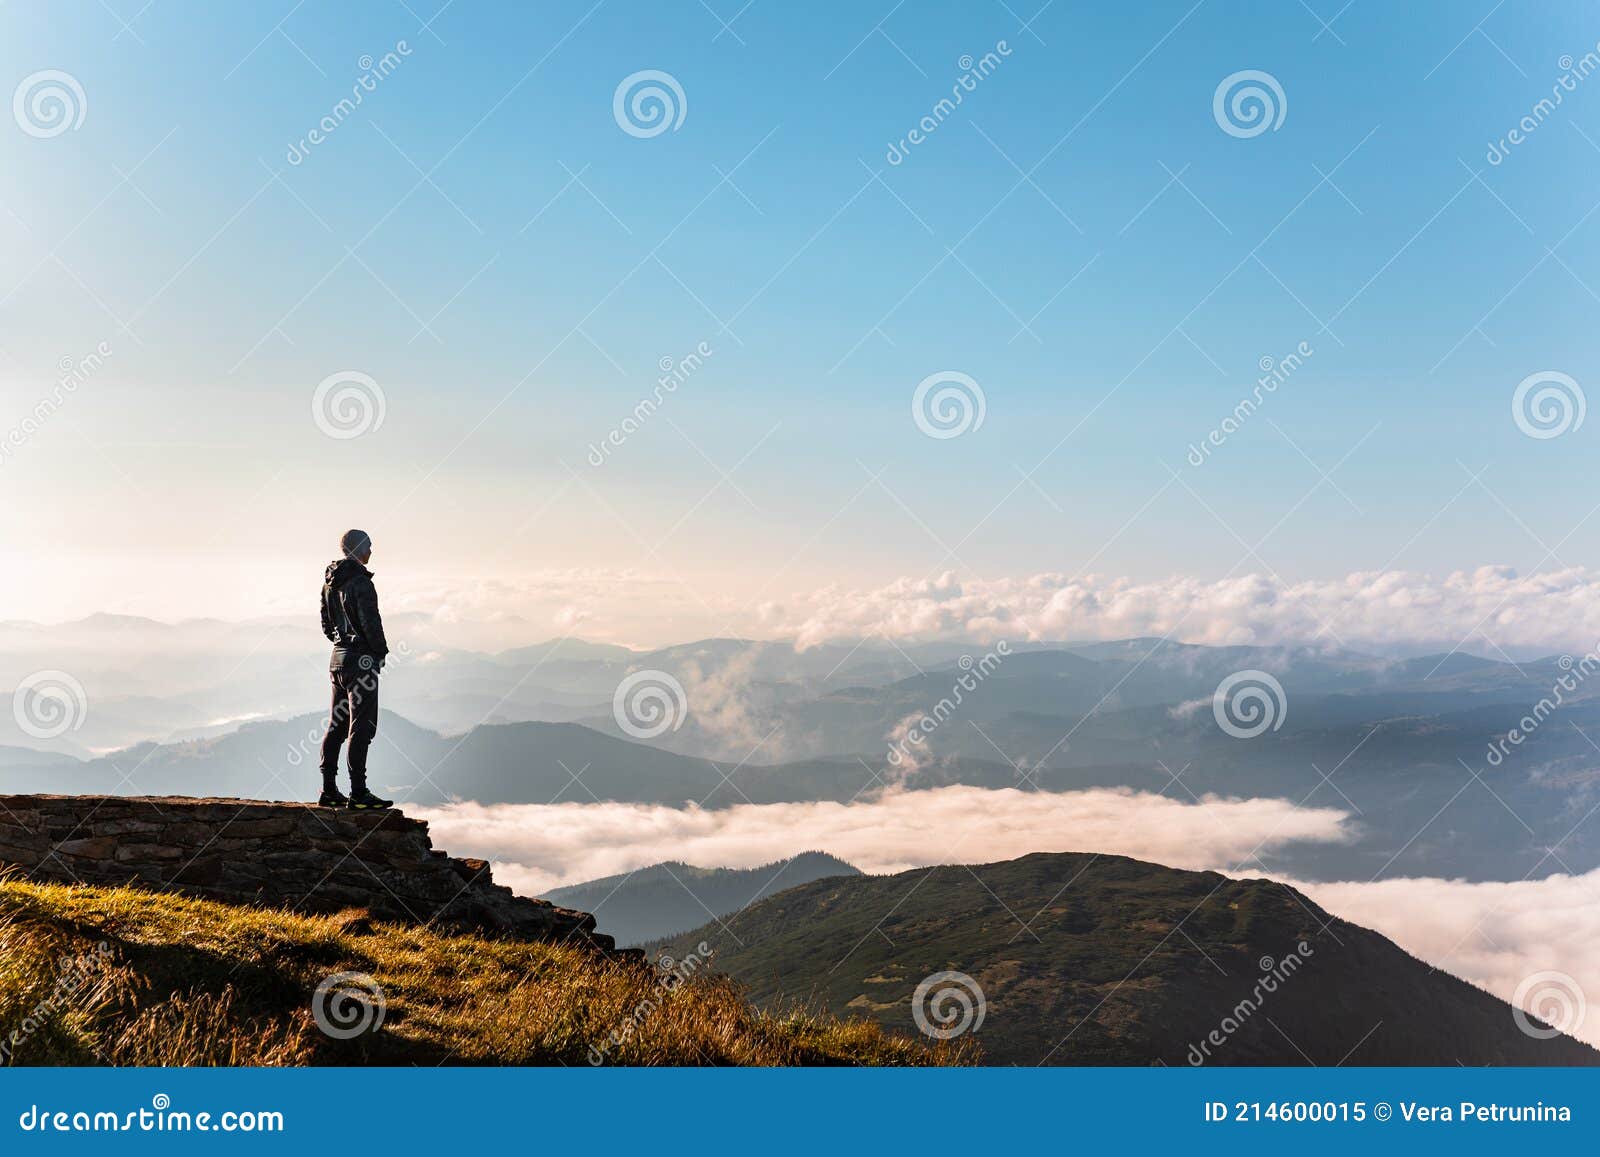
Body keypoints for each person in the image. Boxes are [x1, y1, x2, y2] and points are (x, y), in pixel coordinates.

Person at [317, 529, 394, 809]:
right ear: (358, 549)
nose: (372, 551)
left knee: (336, 726)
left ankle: (328, 790)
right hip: (361, 662)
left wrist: (343, 644)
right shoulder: (361, 582)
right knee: (362, 726)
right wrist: (380, 653)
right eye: (369, 546)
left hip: (337, 660)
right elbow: (371, 623)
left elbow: (327, 626)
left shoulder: (329, 583)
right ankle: (358, 793)